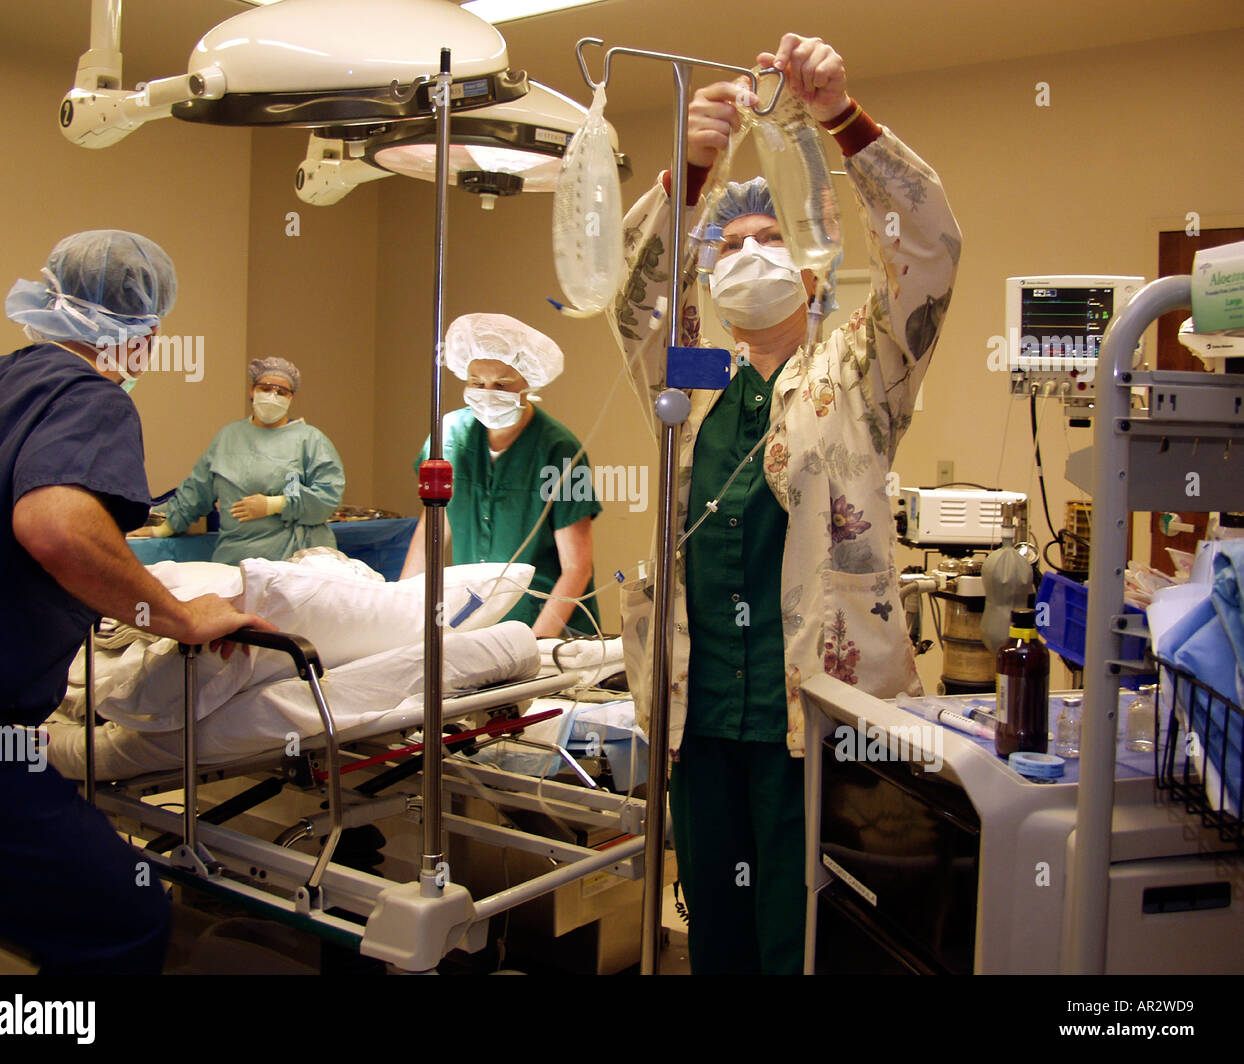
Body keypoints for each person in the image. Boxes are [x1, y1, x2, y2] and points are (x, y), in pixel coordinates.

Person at [616, 35, 961, 973]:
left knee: (818, 937)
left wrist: (840, 120)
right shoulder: (684, 379)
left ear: (812, 266)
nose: (751, 252)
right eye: (729, 244)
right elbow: (636, 296)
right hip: (701, 721)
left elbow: (931, 254)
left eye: (771, 238)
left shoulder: (858, 368)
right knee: (720, 938)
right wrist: (692, 171)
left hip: (815, 721)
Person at [0, 230, 272, 974]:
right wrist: (183, 616)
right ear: (145, 337)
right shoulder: (91, 399)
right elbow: (56, 526)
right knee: (120, 918)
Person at [400, 313, 601, 638]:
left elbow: (577, 568)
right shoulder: (447, 437)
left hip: (545, 627)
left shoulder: (561, 450)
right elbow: (431, 536)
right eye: (477, 383)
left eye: (503, 384)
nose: (488, 392)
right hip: (473, 622)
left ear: (528, 381)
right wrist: (400, 610)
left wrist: (534, 645)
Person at [140, 357, 346, 564]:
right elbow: (197, 489)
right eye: (265, 388)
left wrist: (274, 504)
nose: (272, 396)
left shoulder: (309, 440)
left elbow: (327, 497)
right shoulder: (229, 437)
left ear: (291, 398)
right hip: (236, 556)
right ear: (252, 390)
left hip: (295, 558)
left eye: (281, 392)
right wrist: (166, 527)